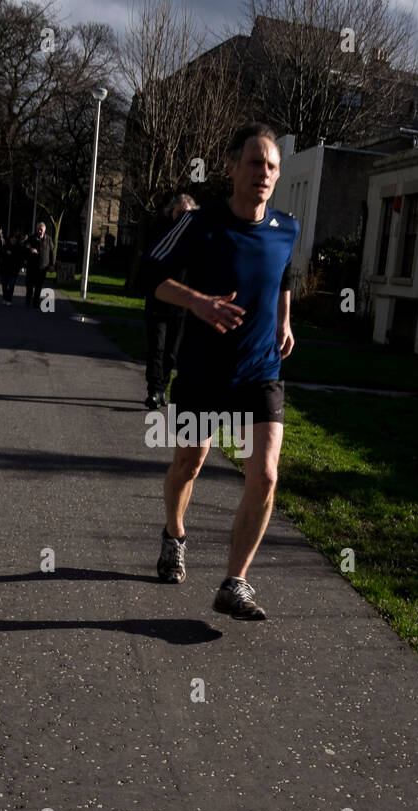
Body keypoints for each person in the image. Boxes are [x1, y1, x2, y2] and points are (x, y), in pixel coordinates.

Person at [145, 123, 298, 621]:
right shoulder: (201, 223)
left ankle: (235, 581)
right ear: (231, 168)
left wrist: (285, 320)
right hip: (203, 372)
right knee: (190, 463)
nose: (264, 173)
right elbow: (150, 276)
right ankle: (174, 533)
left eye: (272, 166)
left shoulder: (287, 228)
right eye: (255, 163)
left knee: (267, 475)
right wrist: (199, 303)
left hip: (261, 372)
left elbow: (283, 274)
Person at [143, 194, 198, 409]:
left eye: (187, 214)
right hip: (158, 303)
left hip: (181, 307)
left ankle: (163, 386)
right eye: (179, 213)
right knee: (156, 348)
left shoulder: (195, 238)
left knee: (172, 352)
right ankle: (154, 390)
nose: (182, 217)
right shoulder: (161, 233)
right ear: (171, 213)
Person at [25, 221, 55, 308]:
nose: (39, 231)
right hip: (31, 267)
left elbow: (52, 252)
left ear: (44, 230)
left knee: (38, 287)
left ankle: (35, 303)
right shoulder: (31, 238)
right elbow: (26, 246)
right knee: (29, 286)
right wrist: (30, 249)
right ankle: (28, 301)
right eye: (38, 229)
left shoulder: (48, 239)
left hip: (42, 267)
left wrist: (52, 264)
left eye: (41, 229)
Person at [0, 234, 22, 304]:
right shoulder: (5, 247)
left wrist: (19, 268)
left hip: (14, 270)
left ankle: (9, 299)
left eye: (15, 238)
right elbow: (0, 255)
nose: (13, 240)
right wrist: (5, 253)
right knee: (4, 285)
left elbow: (20, 259)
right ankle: (5, 297)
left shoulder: (19, 248)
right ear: (9, 239)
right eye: (12, 238)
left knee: (11, 285)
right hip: (4, 270)